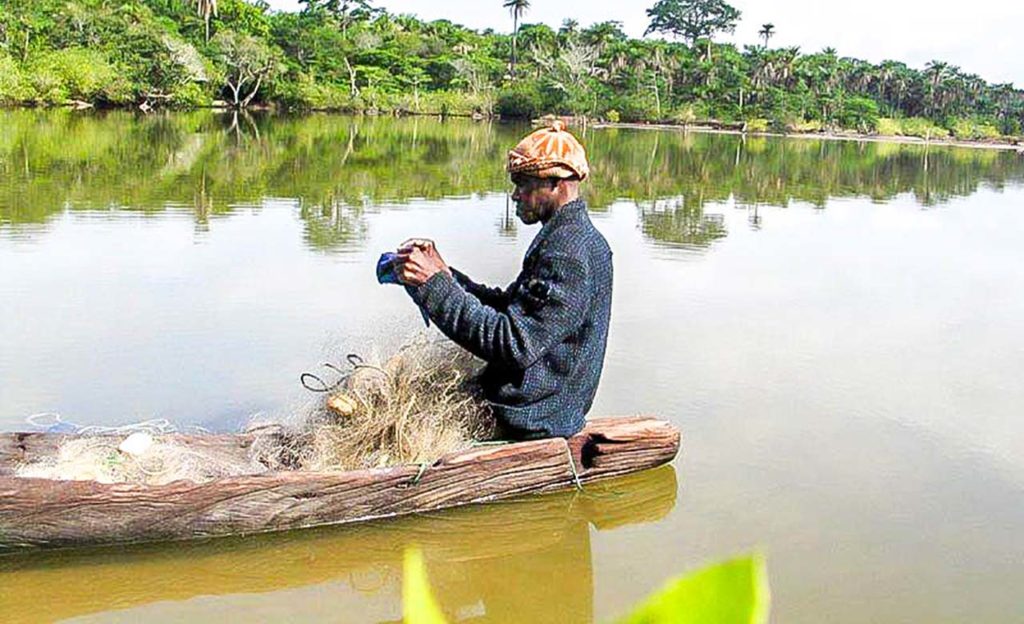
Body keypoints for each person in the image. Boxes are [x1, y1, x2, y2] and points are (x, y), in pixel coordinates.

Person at [396, 121, 613, 440]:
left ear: (556, 183)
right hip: (539, 403)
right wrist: (444, 275)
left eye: (523, 184)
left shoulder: (568, 252)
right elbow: (511, 311)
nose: (515, 195)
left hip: (533, 415)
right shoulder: (568, 237)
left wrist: (433, 285)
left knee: (404, 415)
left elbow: (513, 344)